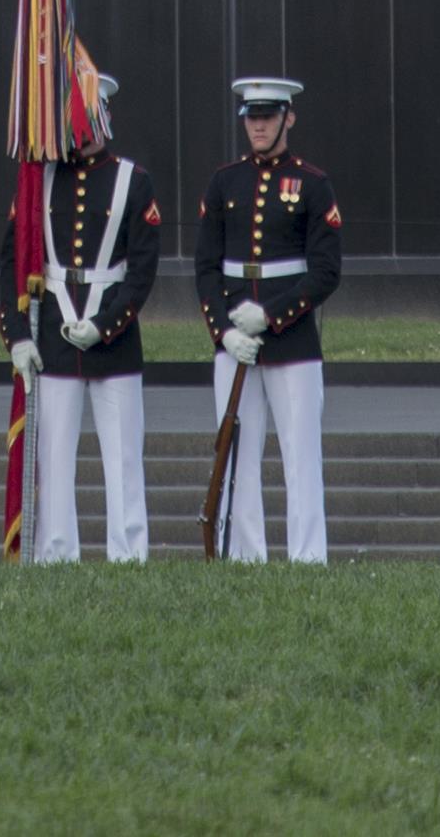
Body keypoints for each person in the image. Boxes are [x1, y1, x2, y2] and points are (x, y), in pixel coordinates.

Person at [8, 75, 162, 562]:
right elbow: (13, 262)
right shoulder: (40, 180)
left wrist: (106, 324)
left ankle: (129, 555)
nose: (81, 128)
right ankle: (56, 555)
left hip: (114, 336)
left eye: (89, 117)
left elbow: (142, 271)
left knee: (123, 459)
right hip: (53, 332)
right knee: (53, 459)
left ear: (105, 117)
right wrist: (16, 335)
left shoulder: (133, 180)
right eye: (73, 117)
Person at [195, 76, 343, 563]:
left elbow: (325, 272)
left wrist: (272, 315)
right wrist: (224, 331)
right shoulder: (224, 182)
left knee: (301, 456)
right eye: (252, 117)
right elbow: (205, 267)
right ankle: (244, 557)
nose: (258, 126)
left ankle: (307, 558)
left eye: (267, 117)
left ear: (288, 119)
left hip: (292, 340)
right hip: (235, 338)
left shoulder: (313, 184)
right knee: (237, 457)